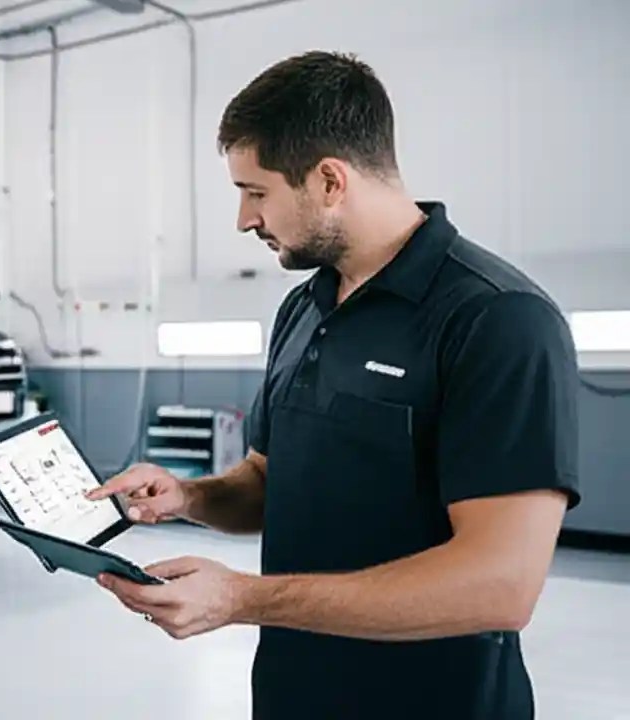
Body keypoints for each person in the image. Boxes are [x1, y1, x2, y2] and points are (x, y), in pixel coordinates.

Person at [85, 50, 581, 719]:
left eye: (256, 192)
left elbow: (501, 585)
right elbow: (268, 480)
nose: (244, 219)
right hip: (293, 695)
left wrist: (244, 598)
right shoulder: (304, 308)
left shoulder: (498, 320)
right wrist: (189, 496)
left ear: (328, 180)